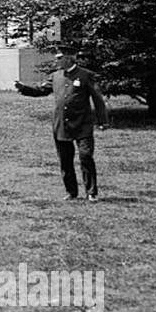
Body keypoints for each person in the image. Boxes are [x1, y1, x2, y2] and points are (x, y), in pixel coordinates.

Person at [14, 43, 110, 202]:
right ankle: (71, 192)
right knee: (65, 160)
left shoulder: (85, 75)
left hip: (82, 124)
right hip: (61, 125)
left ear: (69, 58)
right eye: (57, 57)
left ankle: (91, 192)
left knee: (86, 156)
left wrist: (103, 121)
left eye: (60, 58)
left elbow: (97, 99)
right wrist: (24, 88)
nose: (56, 60)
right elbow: (41, 90)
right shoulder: (56, 76)